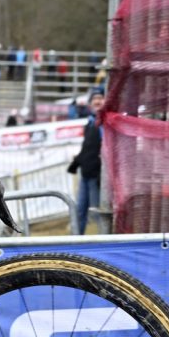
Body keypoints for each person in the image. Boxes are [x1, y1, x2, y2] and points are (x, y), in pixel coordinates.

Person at [67, 89, 105, 235]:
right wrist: (76, 163)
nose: (97, 101)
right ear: (90, 104)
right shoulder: (89, 123)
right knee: (80, 211)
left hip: (98, 177)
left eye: (100, 98)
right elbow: (87, 148)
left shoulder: (106, 123)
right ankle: (75, 244)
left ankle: (104, 242)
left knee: (99, 213)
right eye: (94, 98)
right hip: (86, 175)